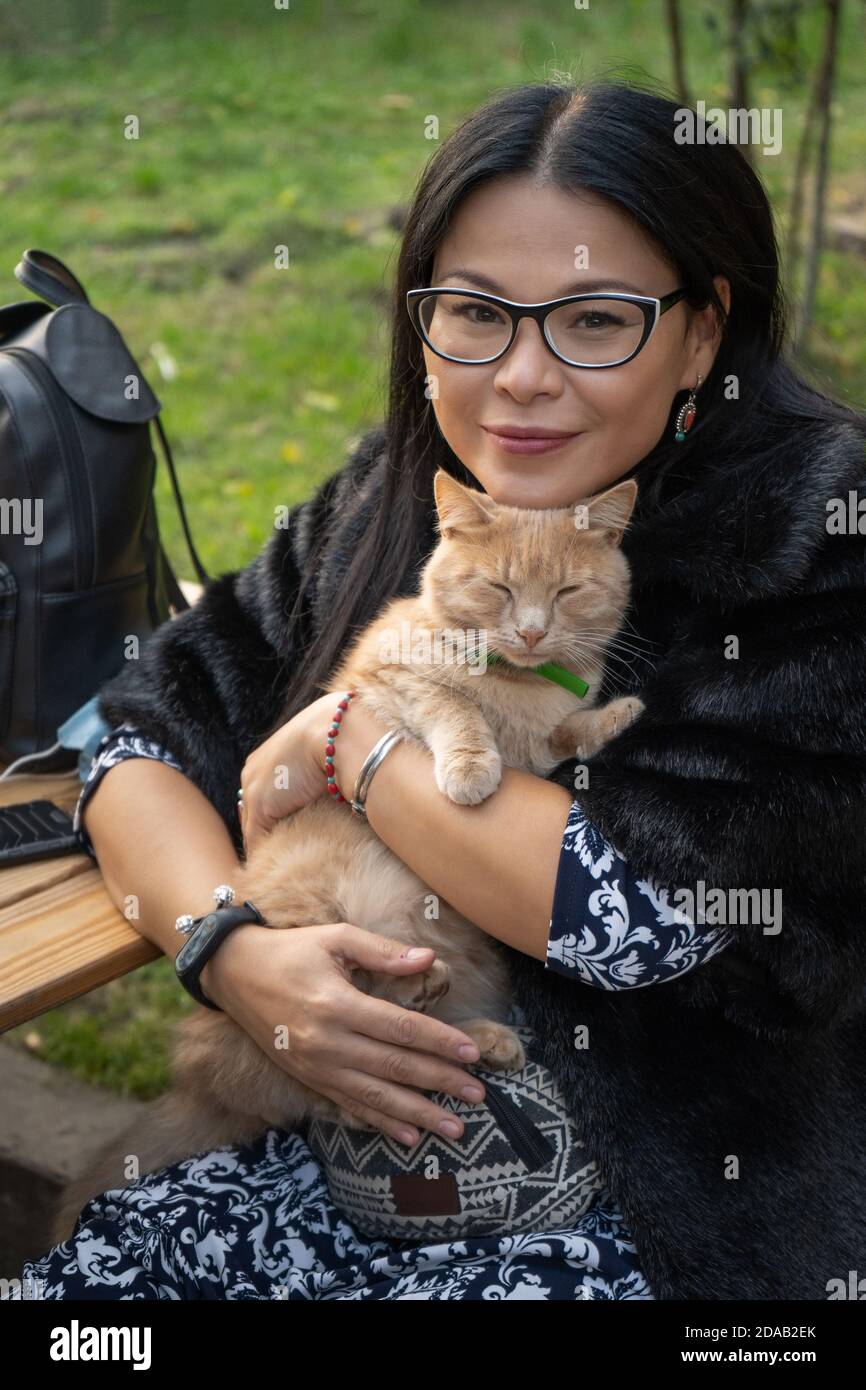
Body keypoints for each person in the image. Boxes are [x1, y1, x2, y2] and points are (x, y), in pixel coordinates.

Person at [9, 77, 866, 1302]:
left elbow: (652, 919)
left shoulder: (813, 537)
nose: (518, 376)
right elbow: (137, 729)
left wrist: (365, 741)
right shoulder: (402, 493)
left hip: (667, 1232)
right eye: (473, 312)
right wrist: (231, 951)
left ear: (700, 331)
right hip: (326, 1172)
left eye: (592, 320)